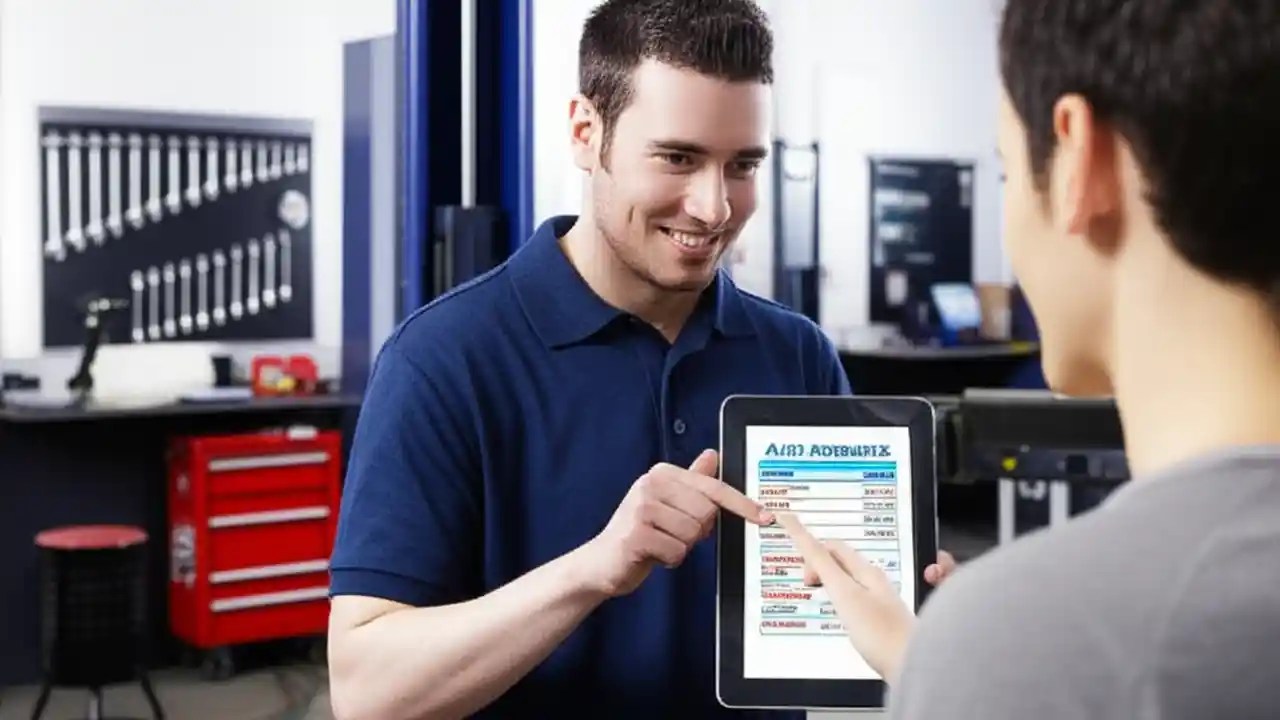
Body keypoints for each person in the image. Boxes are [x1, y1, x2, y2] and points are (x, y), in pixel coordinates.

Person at [325, 1, 955, 718]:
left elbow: (846, 629)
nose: (714, 207)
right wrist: (590, 572)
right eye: (678, 158)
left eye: (742, 165)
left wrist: (931, 617)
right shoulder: (442, 361)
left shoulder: (797, 353)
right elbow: (367, 693)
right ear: (585, 132)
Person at [781, 1, 1280, 718]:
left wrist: (977, 656)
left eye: (1007, 172)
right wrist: (943, 658)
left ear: (1079, 160)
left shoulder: (1026, 644)